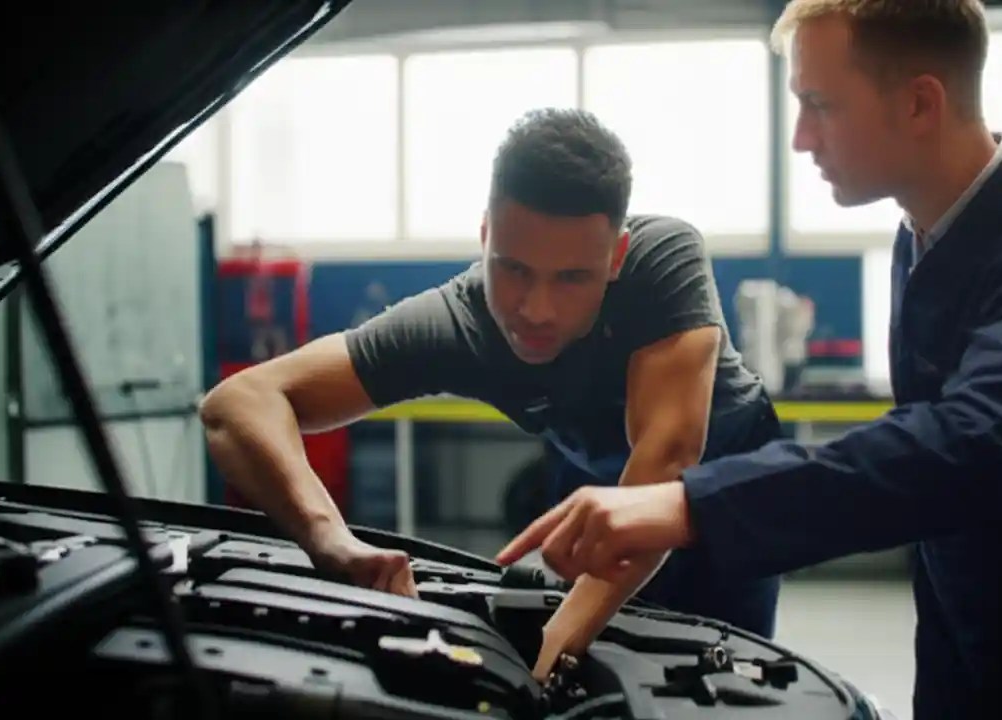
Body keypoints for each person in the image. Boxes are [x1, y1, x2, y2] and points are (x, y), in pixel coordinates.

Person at [495, 1, 1002, 718]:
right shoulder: (923, 235)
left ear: (920, 104)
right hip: (974, 645)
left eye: (820, 105)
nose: (801, 139)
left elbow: (970, 443)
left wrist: (688, 502)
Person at [199, 107, 785, 638]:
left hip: (725, 488)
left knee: (727, 672)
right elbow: (238, 404)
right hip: (600, 484)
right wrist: (330, 537)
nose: (536, 309)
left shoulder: (664, 260)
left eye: (572, 279)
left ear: (616, 257)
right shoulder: (457, 323)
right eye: (512, 269)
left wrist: (560, 640)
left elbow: (669, 458)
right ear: (484, 238)